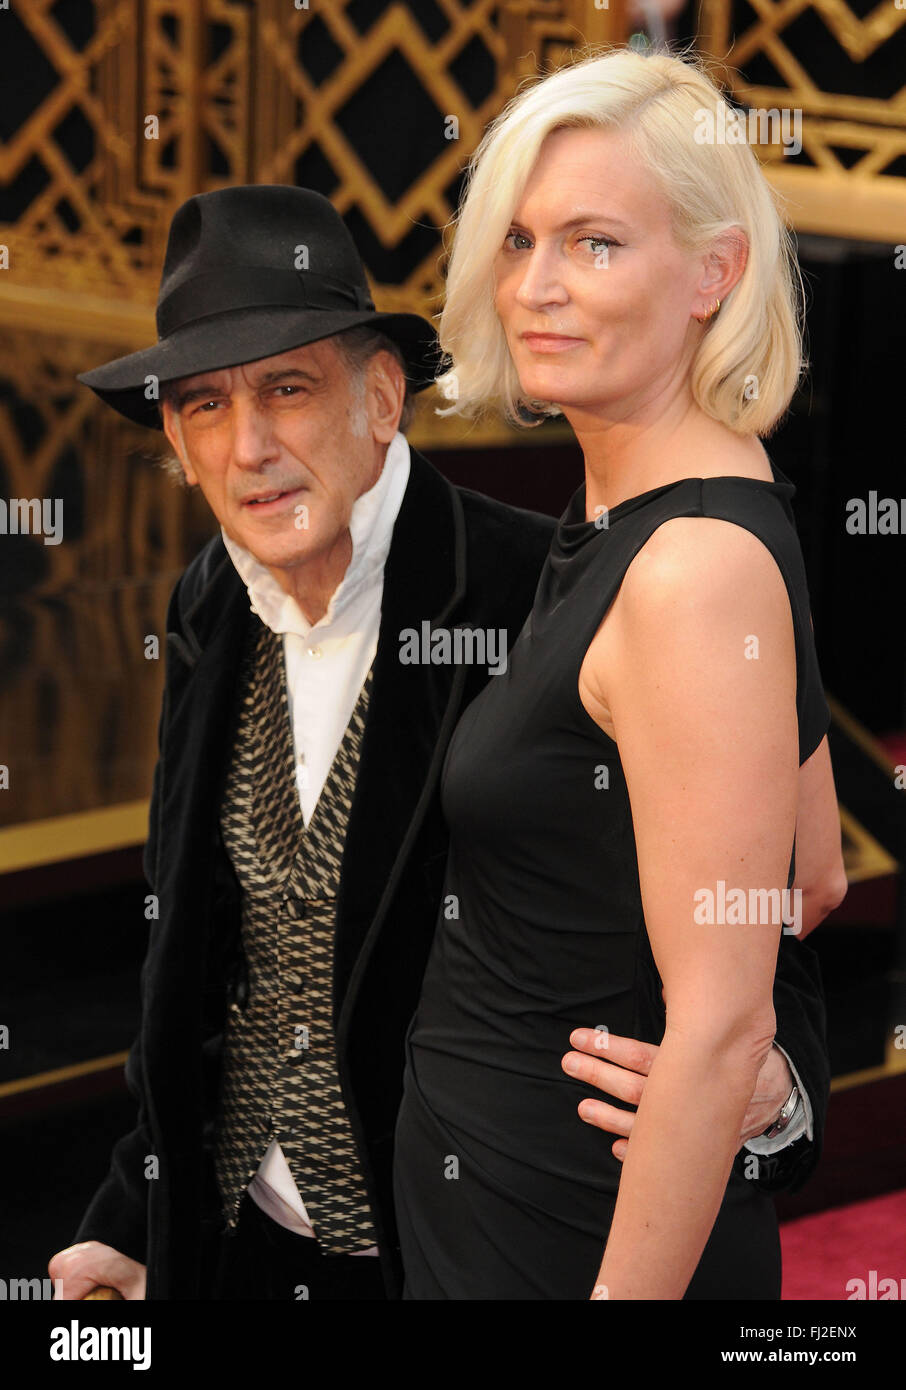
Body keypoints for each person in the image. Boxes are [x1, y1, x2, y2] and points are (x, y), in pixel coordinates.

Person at [47, 182, 832, 1303]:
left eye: (286, 388)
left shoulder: (541, 587)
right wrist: (135, 1213)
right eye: (206, 407)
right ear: (174, 434)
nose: (251, 446)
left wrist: (777, 1087)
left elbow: (769, 904)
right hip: (241, 1246)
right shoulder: (209, 600)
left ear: (380, 397)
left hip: (462, 1251)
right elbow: (207, 952)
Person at [392, 46, 846, 1301]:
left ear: (717, 273)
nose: (539, 285)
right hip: (514, 1195)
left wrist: (726, 1056)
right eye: (521, 239)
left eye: (595, 243)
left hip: (569, 1237)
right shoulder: (692, 497)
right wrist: (746, 1063)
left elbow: (722, 1012)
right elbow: (811, 870)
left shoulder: (689, 568)